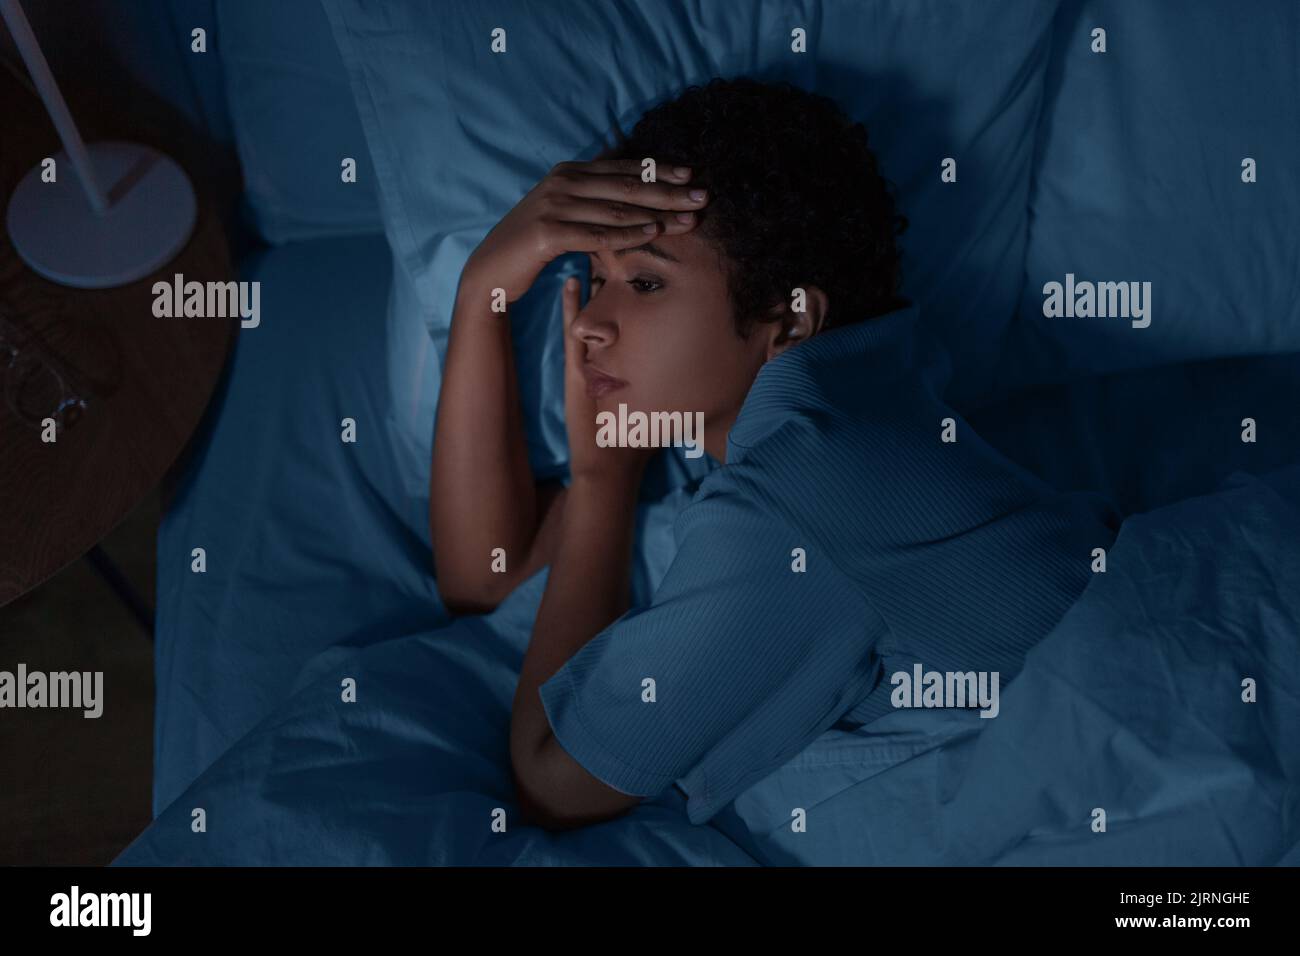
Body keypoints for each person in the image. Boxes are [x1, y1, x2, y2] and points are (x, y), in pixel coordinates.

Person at [429, 77, 1120, 831]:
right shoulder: (864, 387)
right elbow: (488, 584)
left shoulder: (788, 499)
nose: (591, 322)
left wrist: (601, 479)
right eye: (594, 281)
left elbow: (553, 781)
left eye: (647, 281)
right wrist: (484, 294)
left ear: (789, 323)